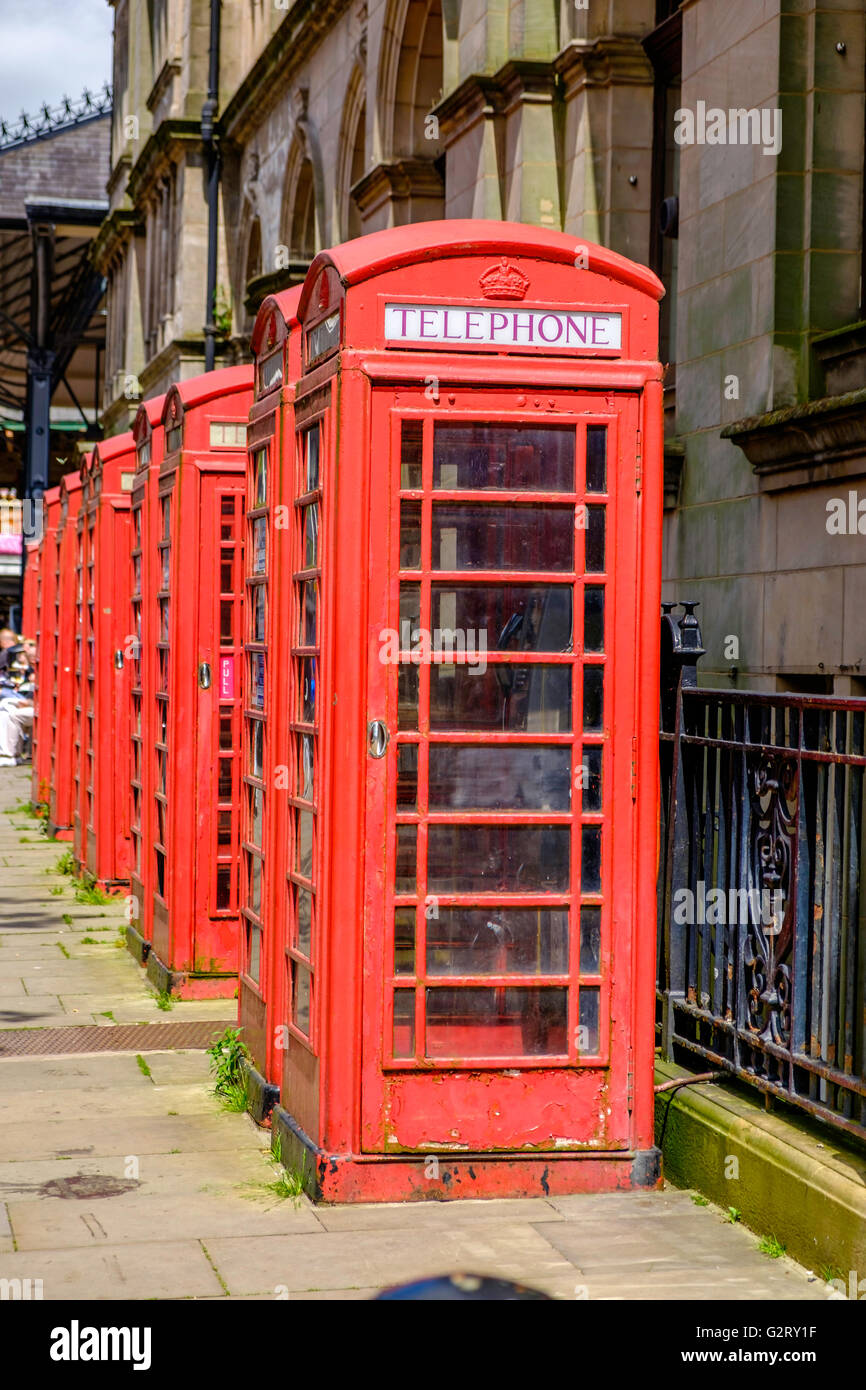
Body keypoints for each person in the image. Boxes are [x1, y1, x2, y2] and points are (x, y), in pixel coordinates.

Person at [0, 637, 35, 766]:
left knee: (11, 714)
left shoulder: (39, 671)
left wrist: (28, 701)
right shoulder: (31, 671)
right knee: (4, 711)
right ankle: (13, 755)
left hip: (39, 707)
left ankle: (10, 755)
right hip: (28, 702)